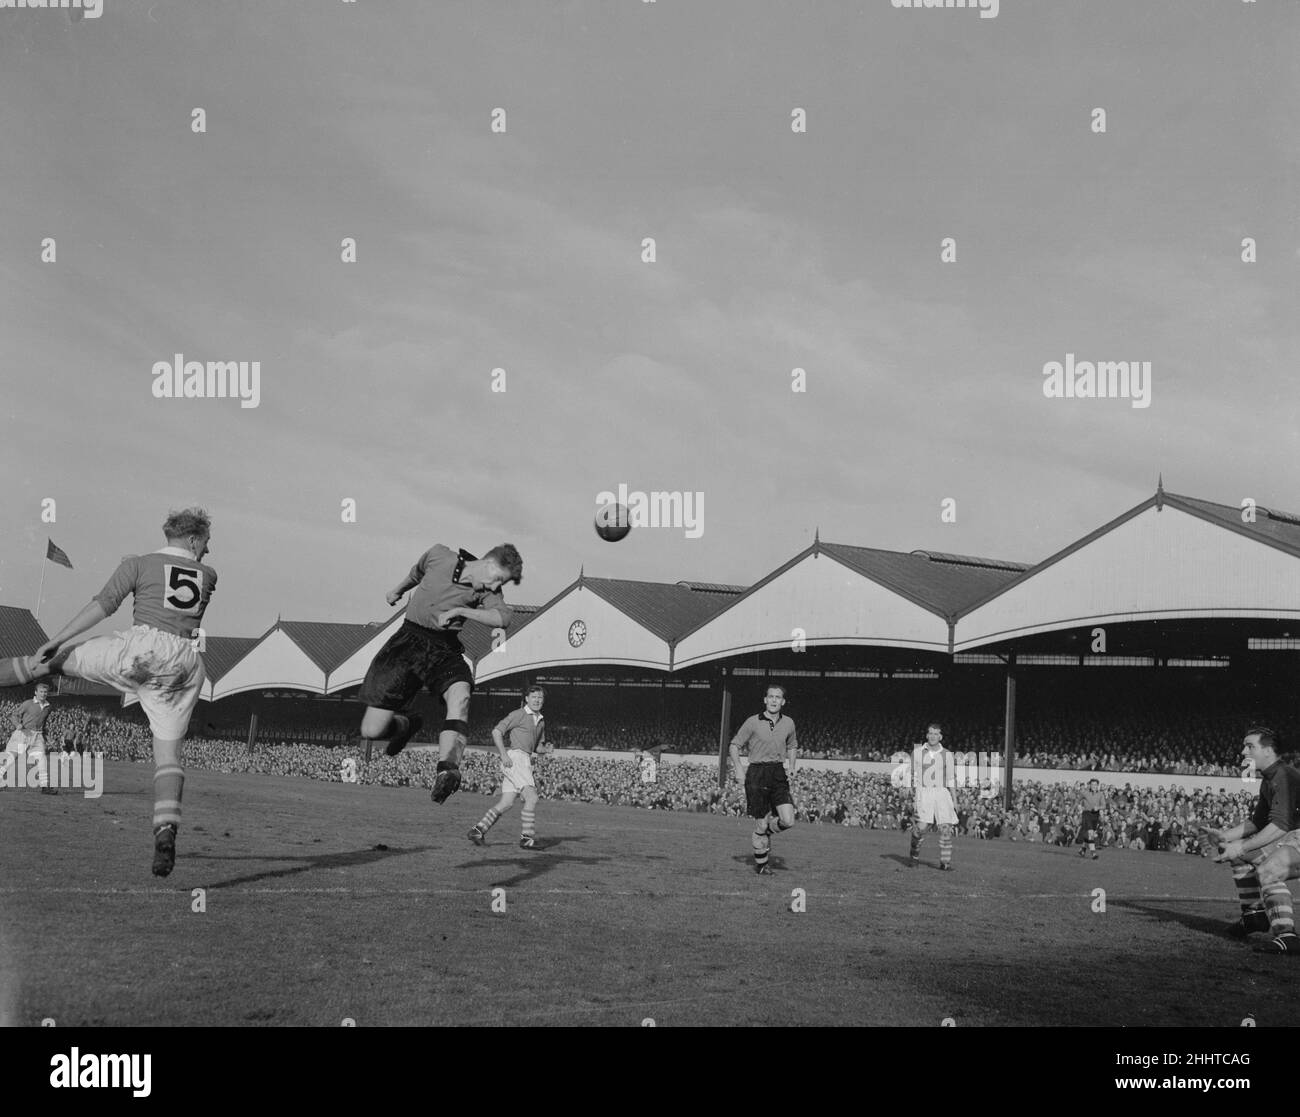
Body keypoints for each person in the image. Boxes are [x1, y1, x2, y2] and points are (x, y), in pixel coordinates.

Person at [0, 509, 216, 875]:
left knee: (49, 662)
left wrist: (57, 639)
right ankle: (165, 830)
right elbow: (174, 584)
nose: (207, 550)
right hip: (183, 664)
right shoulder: (209, 575)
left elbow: (104, 605)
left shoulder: (141, 564)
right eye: (206, 542)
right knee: (168, 759)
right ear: (193, 540)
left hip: (139, 653)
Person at [357, 542, 521, 805]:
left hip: (443, 649)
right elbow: (417, 571)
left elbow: (503, 618)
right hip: (407, 642)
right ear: (488, 565)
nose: (495, 587)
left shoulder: (487, 592)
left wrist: (460, 611)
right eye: (498, 579)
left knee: (461, 694)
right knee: (371, 729)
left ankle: (448, 769)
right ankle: (405, 724)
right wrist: (397, 590)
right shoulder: (438, 555)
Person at [1200, 727, 1300, 954]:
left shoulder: (1283, 776)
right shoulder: (1270, 777)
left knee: (1269, 869)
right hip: (1294, 835)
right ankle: (1254, 916)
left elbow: (1279, 826)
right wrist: (1224, 836)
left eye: (1249, 746)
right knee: (1241, 855)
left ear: (1267, 750)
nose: (1243, 750)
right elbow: (1258, 821)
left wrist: (1240, 846)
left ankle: (1287, 935)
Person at [468, 685, 548, 849]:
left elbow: (536, 748)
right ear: (526, 699)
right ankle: (527, 838)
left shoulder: (541, 721)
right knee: (532, 798)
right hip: (515, 758)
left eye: (540, 697)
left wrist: (546, 750)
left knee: (506, 802)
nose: (537, 700)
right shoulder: (518, 714)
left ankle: (478, 830)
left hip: (524, 758)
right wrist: (503, 754)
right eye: (534, 697)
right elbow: (496, 731)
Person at [729, 685, 797, 875]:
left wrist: (791, 766)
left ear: (783, 702)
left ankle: (765, 833)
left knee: (788, 820)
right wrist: (739, 770)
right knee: (760, 823)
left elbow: (792, 746)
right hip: (757, 773)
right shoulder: (752, 722)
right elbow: (734, 745)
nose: (774, 700)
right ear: (765, 700)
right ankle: (762, 865)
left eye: (778, 697)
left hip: (777, 773)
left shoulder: (789, 723)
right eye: (771, 697)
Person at [908, 723, 958, 870]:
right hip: (924, 792)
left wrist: (955, 799)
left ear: (940, 736)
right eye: (930, 733)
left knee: (945, 829)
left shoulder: (947, 754)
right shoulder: (917, 752)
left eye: (936, 734)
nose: (933, 736)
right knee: (921, 828)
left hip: (942, 793)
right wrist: (912, 794)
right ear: (927, 735)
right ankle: (914, 855)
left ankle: (945, 863)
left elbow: (950, 779)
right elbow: (912, 775)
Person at [3, 682, 56, 793]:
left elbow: (43, 723)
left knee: (42, 759)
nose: (43, 694)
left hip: (38, 736)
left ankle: (45, 787)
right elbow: (13, 715)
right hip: (24, 734)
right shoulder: (28, 703)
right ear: (35, 692)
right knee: (13, 758)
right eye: (41, 691)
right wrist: (17, 724)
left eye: (45, 692)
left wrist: (47, 737)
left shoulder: (48, 707)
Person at [1078, 778, 1105, 859]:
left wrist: (1098, 808)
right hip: (1086, 813)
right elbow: (1078, 800)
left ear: (1097, 786)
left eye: (1095, 785)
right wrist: (1079, 807)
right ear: (1089, 785)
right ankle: (1093, 853)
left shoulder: (1100, 794)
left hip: (1095, 815)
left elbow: (1104, 805)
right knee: (1090, 833)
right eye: (1092, 784)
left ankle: (1082, 849)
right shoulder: (1085, 793)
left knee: (1091, 834)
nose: (1094, 786)